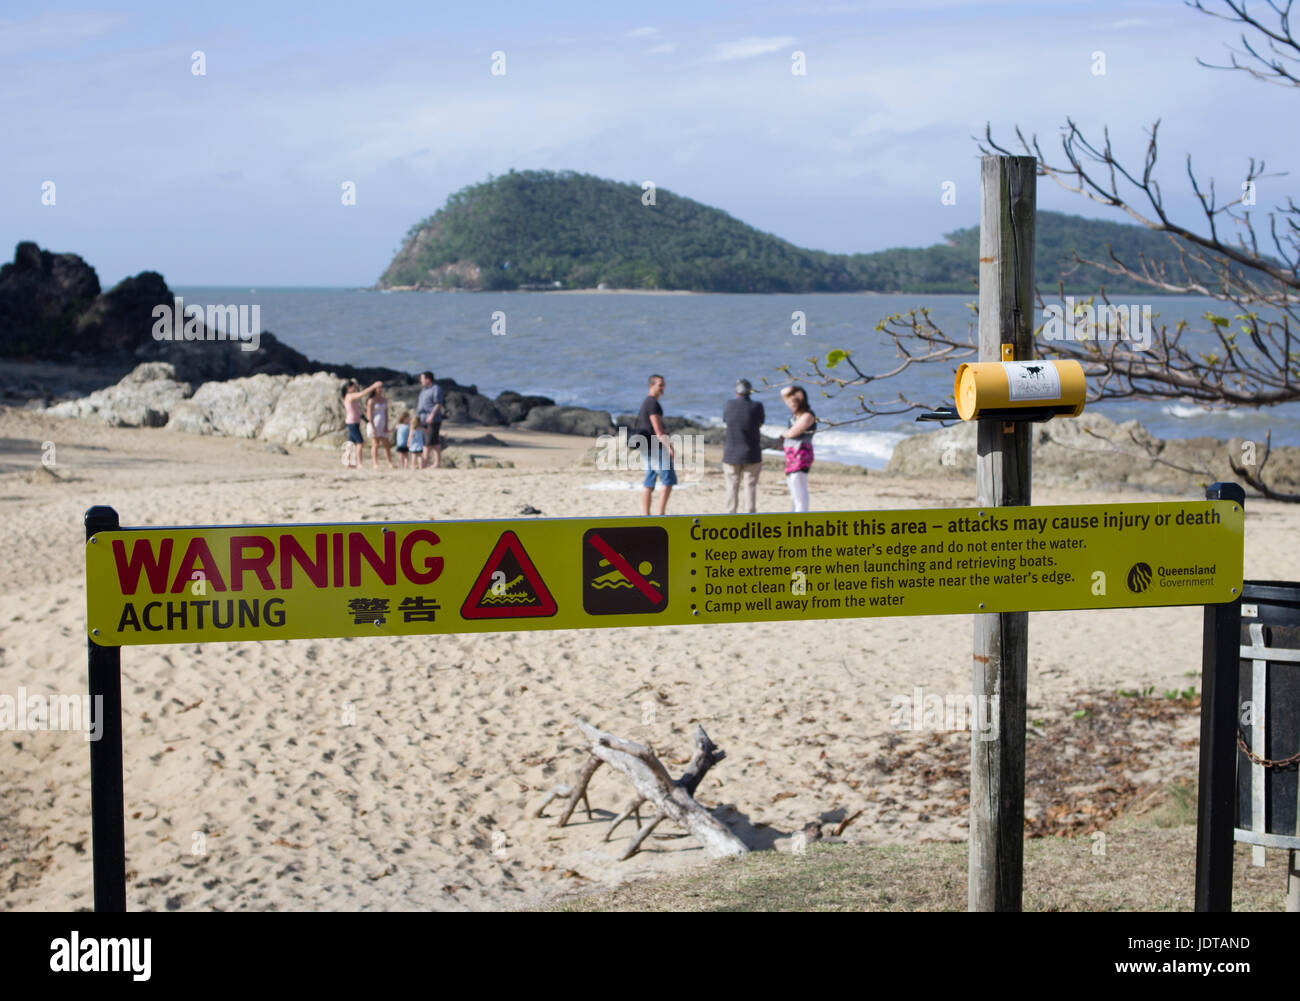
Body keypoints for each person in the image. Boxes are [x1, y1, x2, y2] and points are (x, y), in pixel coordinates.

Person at [722, 378, 765, 514]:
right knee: (750, 486)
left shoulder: (729, 404)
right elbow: (760, 423)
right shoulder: (757, 406)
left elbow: (725, 420)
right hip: (752, 452)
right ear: (750, 392)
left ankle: (730, 514)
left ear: (736, 392)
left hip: (731, 452)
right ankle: (750, 514)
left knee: (732, 486)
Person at [634, 374, 674, 516]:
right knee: (668, 480)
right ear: (651, 385)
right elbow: (657, 428)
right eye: (660, 385)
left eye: (664, 385)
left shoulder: (647, 402)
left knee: (649, 481)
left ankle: (646, 515)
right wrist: (668, 446)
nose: (663, 388)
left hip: (647, 446)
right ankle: (660, 514)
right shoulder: (652, 403)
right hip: (654, 446)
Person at [778, 384, 816, 513]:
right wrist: (794, 389)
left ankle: (801, 513)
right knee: (792, 485)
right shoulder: (795, 416)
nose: (791, 404)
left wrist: (782, 435)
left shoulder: (808, 416)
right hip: (791, 455)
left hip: (801, 455)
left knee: (798, 484)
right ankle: (795, 512)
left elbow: (793, 432)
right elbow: (783, 392)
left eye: (794, 401)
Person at [341, 379, 380, 469]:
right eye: (354, 386)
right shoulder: (350, 396)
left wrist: (364, 418)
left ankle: (347, 462)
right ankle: (359, 463)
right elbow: (362, 394)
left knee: (351, 443)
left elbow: (356, 410)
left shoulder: (348, 397)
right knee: (360, 442)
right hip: (352, 422)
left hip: (353, 421)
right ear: (349, 387)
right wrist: (373, 386)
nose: (356, 387)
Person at [416, 371, 445, 469]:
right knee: (434, 441)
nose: (421, 381)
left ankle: (424, 463)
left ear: (428, 379)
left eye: (422, 379)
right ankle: (436, 463)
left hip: (433, 419)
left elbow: (438, 403)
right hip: (422, 418)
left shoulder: (436, 389)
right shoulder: (423, 390)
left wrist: (432, 415)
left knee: (428, 442)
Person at [367, 382, 394, 469]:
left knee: (387, 444)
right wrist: (373, 427)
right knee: (375, 444)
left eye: (381, 387)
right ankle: (375, 463)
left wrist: (386, 425)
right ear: (374, 389)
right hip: (374, 423)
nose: (381, 389)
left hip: (382, 423)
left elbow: (386, 413)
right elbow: (369, 415)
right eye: (379, 387)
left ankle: (389, 462)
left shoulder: (384, 400)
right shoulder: (371, 400)